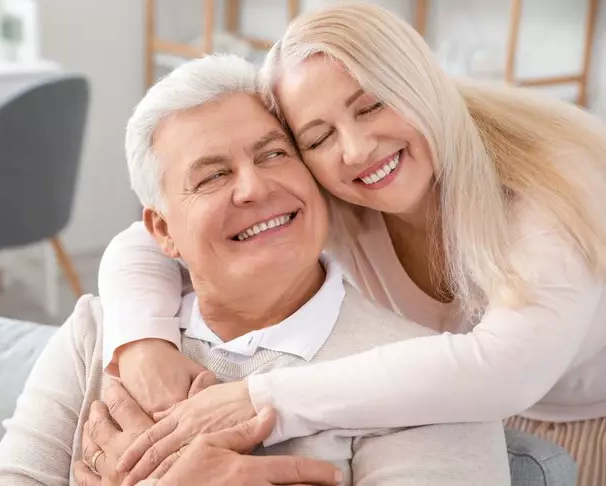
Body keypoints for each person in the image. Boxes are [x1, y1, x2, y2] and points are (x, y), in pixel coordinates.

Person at [97, 3, 606, 486]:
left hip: (587, 414)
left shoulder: (554, 181)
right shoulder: (331, 187)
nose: (357, 149)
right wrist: (141, 345)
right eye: (317, 137)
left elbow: (505, 372)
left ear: (417, 82)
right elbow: (147, 239)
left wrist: (256, 400)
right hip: (456, 400)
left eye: (372, 106)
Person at [0, 54, 510, 486]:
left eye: (275, 154)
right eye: (211, 176)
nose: (254, 187)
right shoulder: (99, 336)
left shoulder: (430, 385)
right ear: (162, 231)